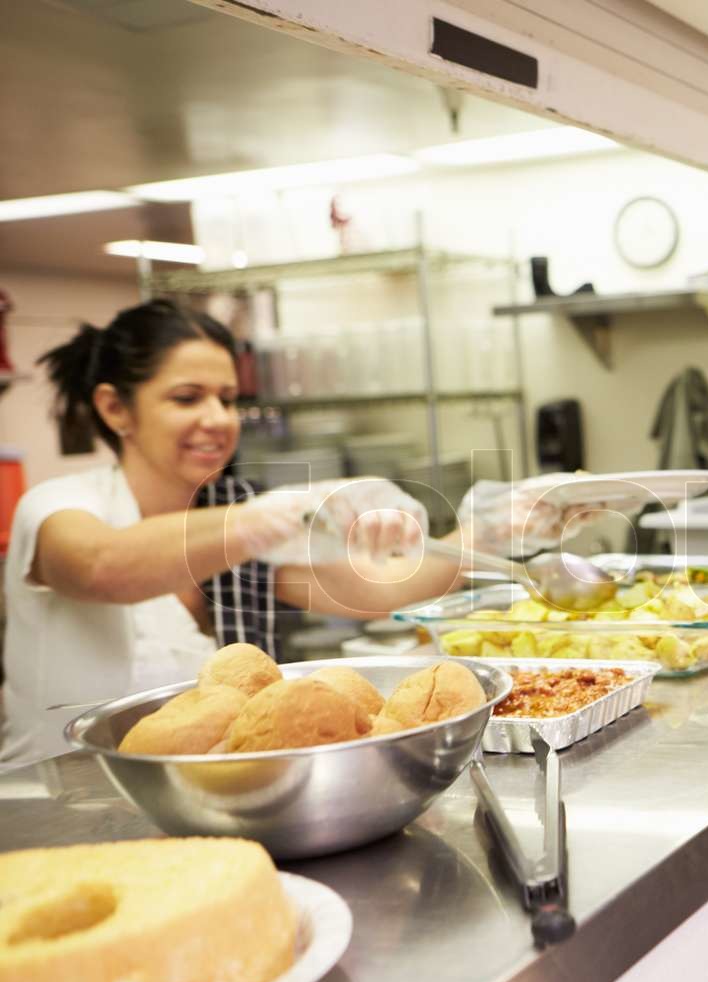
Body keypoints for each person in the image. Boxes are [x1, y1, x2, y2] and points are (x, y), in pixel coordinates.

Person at [0, 299, 555, 767]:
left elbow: (379, 589)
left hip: (196, 799)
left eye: (228, 398)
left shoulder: (231, 524)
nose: (218, 419)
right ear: (114, 407)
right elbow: (101, 566)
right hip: (56, 800)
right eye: (187, 398)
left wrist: (485, 534)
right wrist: (269, 517)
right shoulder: (60, 504)